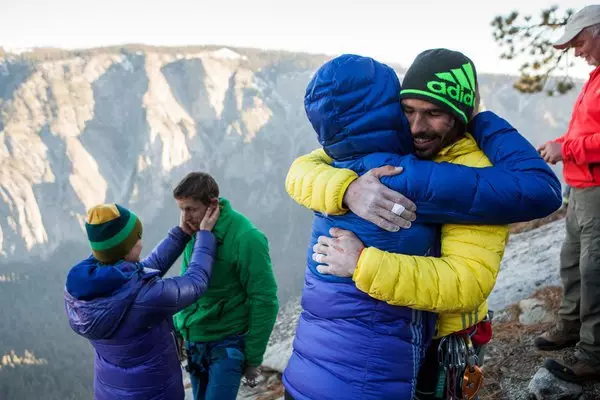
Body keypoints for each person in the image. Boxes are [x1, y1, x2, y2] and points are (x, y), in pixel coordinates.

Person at [284, 49, 562, 399]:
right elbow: (304, 167)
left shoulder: (478, 169)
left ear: (460, 115)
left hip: (442, 347)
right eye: (408, 110)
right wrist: (346, 189)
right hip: (392, 338)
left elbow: (466, 282)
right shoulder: (399, 147)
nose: (416, 127)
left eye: (434, 114)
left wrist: (362, 263)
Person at [64, 202, 219, 400]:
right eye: (137, 237)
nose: (142, 242)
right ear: (125, 248)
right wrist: (205, 234)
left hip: (109, 392)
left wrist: (181, 234)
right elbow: (196, 282)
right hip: (154, 394)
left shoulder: (83, 290)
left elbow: (139, 275)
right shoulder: (147, 298)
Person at [534, 5, 600, 383]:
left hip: (597, 192)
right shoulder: (594, 78)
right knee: (572, 261)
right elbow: (582, 132)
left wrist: (569, 151)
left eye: (579, 41)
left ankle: (593, 353)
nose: (577, 51)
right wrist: (559, 144)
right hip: (579, 188)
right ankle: (570, 326)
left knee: (594, 271)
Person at [172, 172, 279, 400]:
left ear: (212, 204)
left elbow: (264, 299)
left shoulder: (247, 238)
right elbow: (187, 284)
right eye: (181, 209)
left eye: (190, 209)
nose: (184, 217)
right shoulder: (195, 232)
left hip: (227, 343)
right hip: (195, 342)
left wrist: (253, 357)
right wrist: (180, 328)